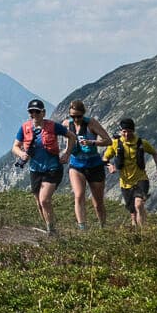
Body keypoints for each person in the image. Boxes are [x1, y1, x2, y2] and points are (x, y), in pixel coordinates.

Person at [12, 98, 76, 235]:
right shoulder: (25, 128)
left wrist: (67, 153)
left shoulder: (53, 126)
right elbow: (15, 146)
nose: (34, 114)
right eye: (31, 112)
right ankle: (49, 228)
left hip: (53, 168)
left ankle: (52, 231)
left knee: (44, 200)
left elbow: (72, 136)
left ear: (43, 112)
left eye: (37, 112)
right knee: (39, 203)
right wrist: (21, 154)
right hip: (35, 170)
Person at [103, 117, 157, 227]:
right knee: (132, 212)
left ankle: (143, 231)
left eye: (129, 131)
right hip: (125, 183)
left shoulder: (141, 143)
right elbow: (105, 158)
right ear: (121, 131)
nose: (127, 134)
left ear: (133, 131)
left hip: (141, 179)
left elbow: (154, 153)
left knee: (139, 204)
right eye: (124, 131)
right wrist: (109, 166)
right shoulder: (115, 144)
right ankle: (136, 228)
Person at [64, 100, 112, 229]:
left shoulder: (91, 123)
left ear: (83, 114)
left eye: (78, 116)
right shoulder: (67, 124)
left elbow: (108, 141)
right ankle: (83, 229)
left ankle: (103, 227)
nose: (76, 119)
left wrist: (92, 142)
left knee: (98, 202)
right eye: (72, 116)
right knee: (79, 195)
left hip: (94, 165)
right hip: (76, 164)